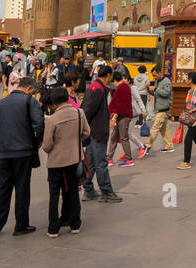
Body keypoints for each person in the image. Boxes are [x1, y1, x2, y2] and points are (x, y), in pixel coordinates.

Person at [0, 76, 44, 236]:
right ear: (28, 89)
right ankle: (21, 225)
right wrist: (37, 140)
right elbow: (39, 123)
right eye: (32, 92)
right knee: (22, 188)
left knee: (2, 188)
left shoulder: (2, 102)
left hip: (4, 151)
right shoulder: (29, 101)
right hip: (23, 151)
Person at [41, 86, 90, 237]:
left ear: (54, 102)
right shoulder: (79, 113)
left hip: (56, 163)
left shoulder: (52, 119)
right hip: (74, 159)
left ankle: (53, 228)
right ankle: (75, 223)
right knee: (73, 191)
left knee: (54, 195)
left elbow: (46, 145)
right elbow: (86, 133)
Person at [81, 68, 124, 202]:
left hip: (92, 131)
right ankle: (106, 191)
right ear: (108, 75)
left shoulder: (95, 87)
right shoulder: (98, 89)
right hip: (97, 131)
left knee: (91, 162)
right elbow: (87, 111)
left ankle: (88, 190)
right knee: (100, 163)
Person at [107, 69, 140, 165]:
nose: (113, 84)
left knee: (123, 137)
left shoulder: (122, 87)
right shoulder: (124, 87)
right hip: (122, 116)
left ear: (115, 80)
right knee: (114, 137)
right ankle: (109, 159)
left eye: (113, 82)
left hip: (123, 116)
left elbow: (120, 105)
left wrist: (113, 118)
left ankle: (129, 159)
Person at [145, 70, 176, 152]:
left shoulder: (166, 81)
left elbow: (166, 93)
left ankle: (147, 145)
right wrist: (149, 90)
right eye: (153, 76)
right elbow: (157, 94)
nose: (154, 77)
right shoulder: (157, 81)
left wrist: (155, 88)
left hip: (164, 108)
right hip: (160, 108)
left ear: (160, 73)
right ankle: (169, 146)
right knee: (164, 129)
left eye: (155, 75)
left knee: (155, 128)